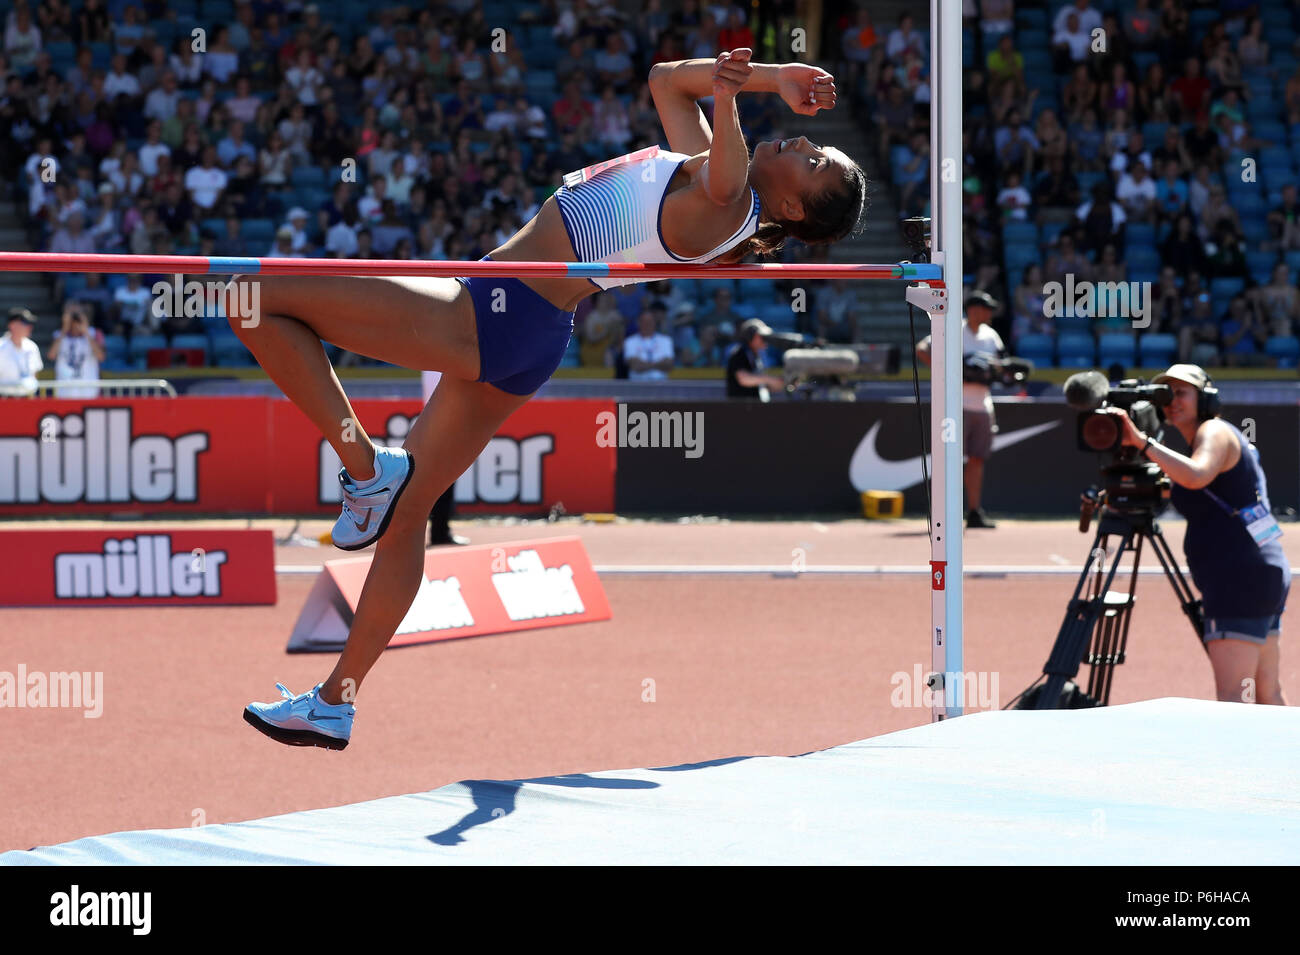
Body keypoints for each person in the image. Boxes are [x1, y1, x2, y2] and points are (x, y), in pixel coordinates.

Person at [238, 48, 864, 748]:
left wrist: (733, 91)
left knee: (251, 297)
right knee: (410, 512)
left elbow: (721, 166)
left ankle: (363, 465)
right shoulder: (718, 179)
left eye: (814, 163)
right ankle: (335, 700)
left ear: (789, 207)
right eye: (815, 144)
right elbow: (663, 81)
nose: (806, 143)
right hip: (529, 329)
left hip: (498, 313)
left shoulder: (730, 201)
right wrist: (774, 77)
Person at [1104, 365, 1288, 705]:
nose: (1173, 401)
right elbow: (1191, 485)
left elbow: (1196, 476)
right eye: (1167, 394)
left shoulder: (1213, 431)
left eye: (1182, 392)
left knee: (1236, 697)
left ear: (1206, 398)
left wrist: (1141, 443)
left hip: (1239, 579)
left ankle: (1242, 761)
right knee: (1266, 693)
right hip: (1260, 572)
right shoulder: (1211, 438)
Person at [915, 291, 1006, 529]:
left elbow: (1001, 365)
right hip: (955, 405)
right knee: (950, 460)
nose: (989, 313)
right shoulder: (955, 328)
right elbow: (922, 348)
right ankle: (944, 513)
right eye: (985, 308)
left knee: (977, 459)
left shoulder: (991, 335)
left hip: (983, 405)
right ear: (973, 309)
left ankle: (974, 511)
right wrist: (949, 370)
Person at [47, 302, 105, 398]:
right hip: (64, 391)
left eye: (77, 313)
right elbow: (51, 355)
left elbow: (101, 357)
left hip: (89, 391)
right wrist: (64, 329)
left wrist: (86, 332)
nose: (74, 318)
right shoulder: (58, 335)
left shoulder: (94, 333)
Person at [725, 318, 786, 399]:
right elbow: (743, 379)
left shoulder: (757, 355)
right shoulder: (738, 353)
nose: (766, 340)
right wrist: (770, 380)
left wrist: (783, 384)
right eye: (762, 337)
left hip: (754, 407)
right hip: (740, 408)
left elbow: (762, 385)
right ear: (752, 337)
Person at [0, 308, 43, 396]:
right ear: (12, 325)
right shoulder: (1, 347)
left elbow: (35, 374)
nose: (29, 327)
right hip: (4, 399)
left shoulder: (32, 347)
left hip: (26, 399)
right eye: (25, 323)